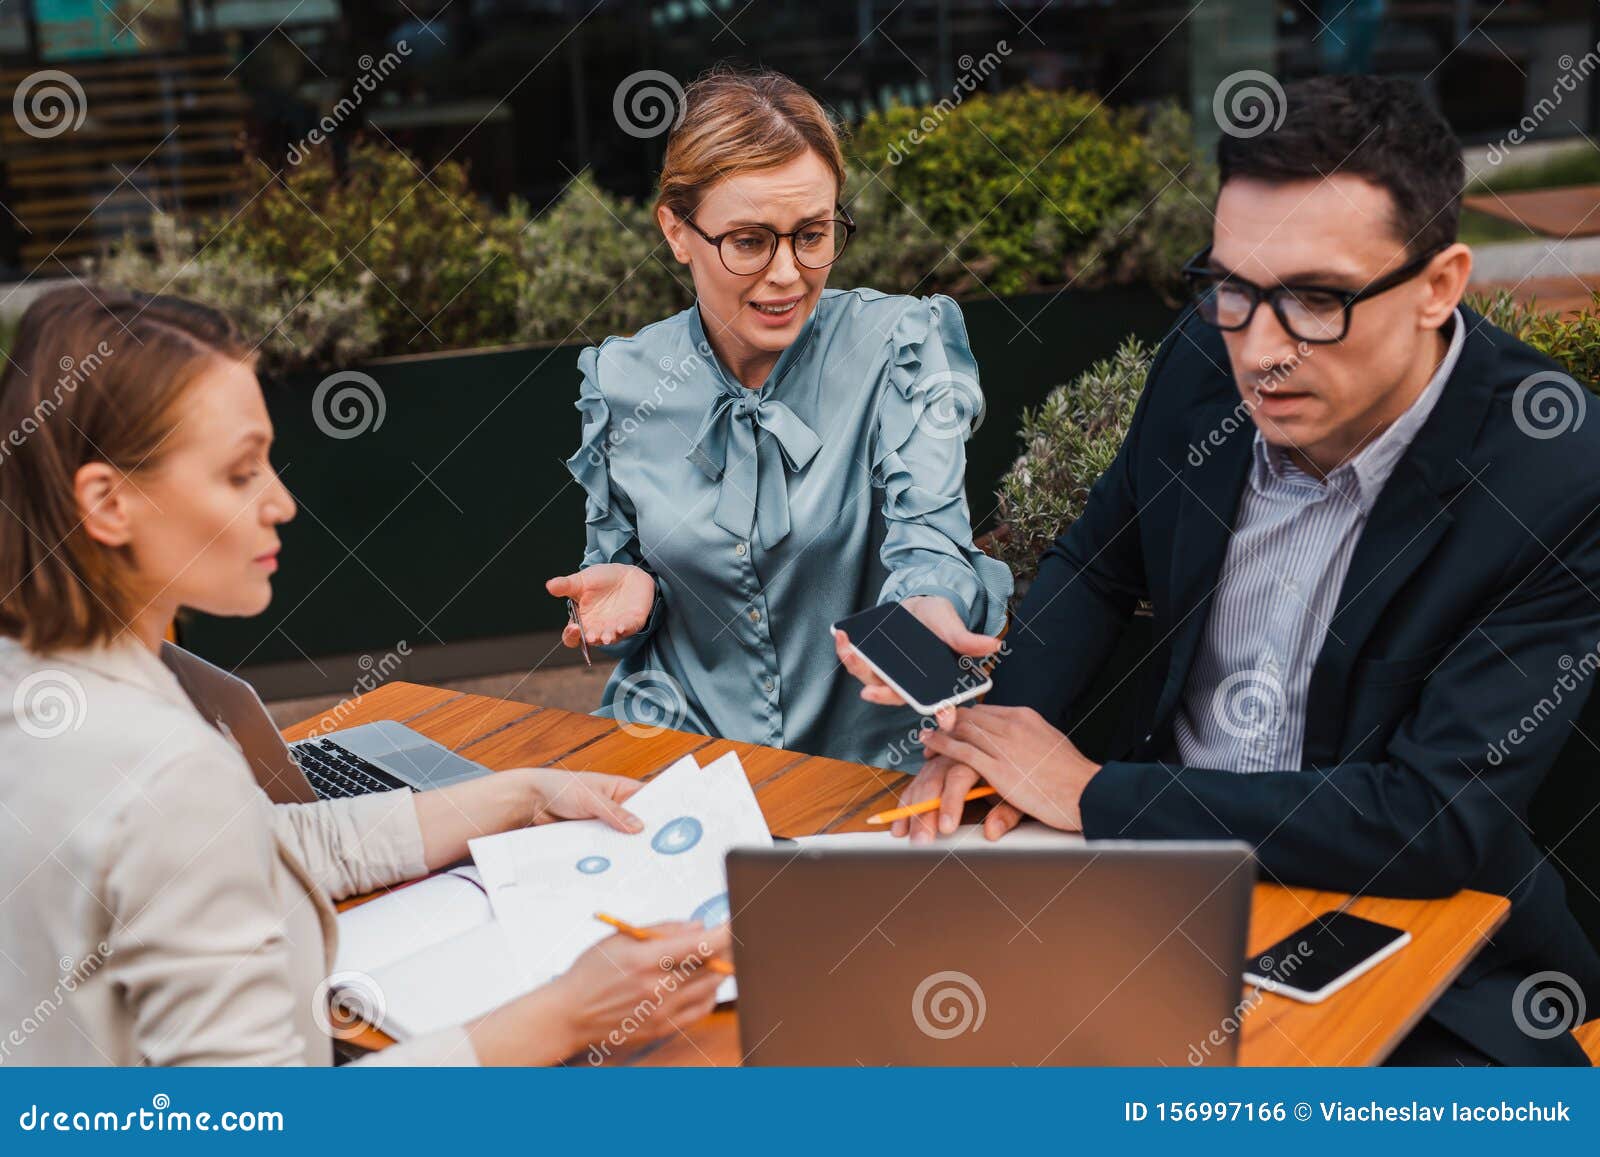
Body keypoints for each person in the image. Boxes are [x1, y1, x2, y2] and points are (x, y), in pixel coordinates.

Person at [842, 75, 1600, 1065]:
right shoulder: (1203, 360)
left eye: (1318, 300)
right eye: (1232, 287)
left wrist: (1094, 795)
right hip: (1139, 889)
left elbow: (1433, 816)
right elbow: (1098, 565)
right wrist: (990, 741)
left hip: (1412, 943)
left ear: (1439, 286)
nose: (1260, 351)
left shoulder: (1554, 471)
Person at [0, 285, 728, 1066]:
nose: (281, 502)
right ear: (109, 503)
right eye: (240, 473)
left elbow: (260, 843)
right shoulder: (170, 773)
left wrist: (522, 794)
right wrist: (567, 1015)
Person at [544, 65, 1012, 769]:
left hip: (868, 767)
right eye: (749, 241)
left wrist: (926, 606)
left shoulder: (901, 347)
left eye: (812, 234)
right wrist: (631, 593)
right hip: (682, 759)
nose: (788, 273)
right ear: (676, 231)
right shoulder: (622, 382)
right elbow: (613, 589)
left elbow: (929, 537)